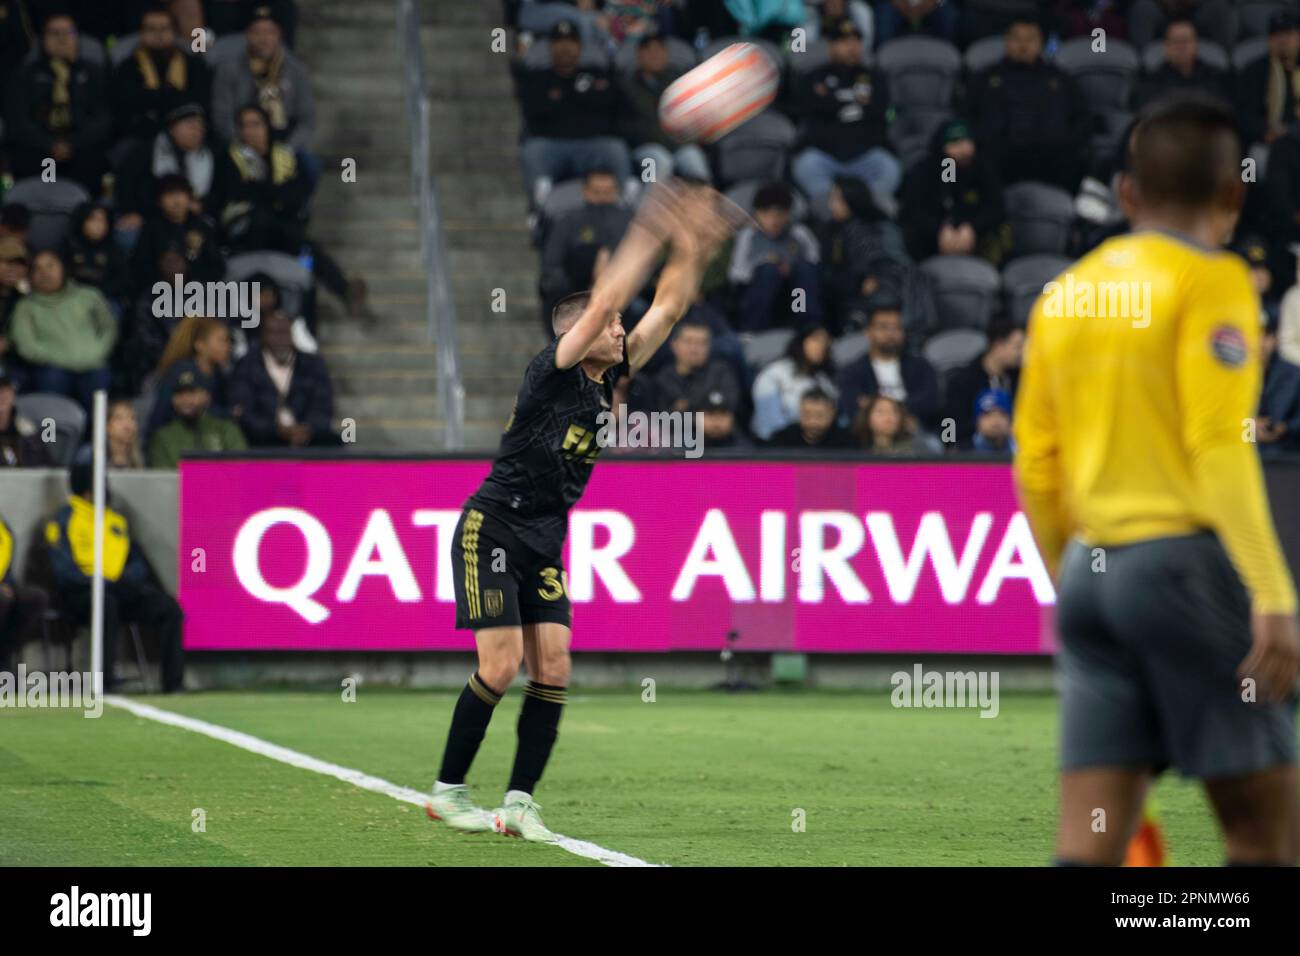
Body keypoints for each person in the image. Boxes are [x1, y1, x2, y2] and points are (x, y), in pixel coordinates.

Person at [1014, 93, 1299, 866]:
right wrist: (1272, 590)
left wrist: (1069, 574)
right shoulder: (1214, 281)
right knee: (1265, 840)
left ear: (1128, 194)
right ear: (1234, 194)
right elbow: (1217, 443)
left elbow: (1036, 462)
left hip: (1091, 578)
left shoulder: (1065, 293)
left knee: (1088, 851)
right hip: (1184, 572)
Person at [427, 181, 736, 840]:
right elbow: (604, 302)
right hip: (494, 527)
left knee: (555, 667)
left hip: (543, 537)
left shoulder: (606, 379)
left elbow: (673, 305)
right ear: (577, 334)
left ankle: (518, 802)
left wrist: (696, 244)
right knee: (501, 665)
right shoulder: (553, 369)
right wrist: (652, 225)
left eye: (620, 327)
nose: (621, 331)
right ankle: (448, 790)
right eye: (612, 326)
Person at [47, 461, 184, 692]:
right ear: (86, 489)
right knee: (105, 604)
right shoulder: (62, 520)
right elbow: (63, 571)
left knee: (168, 608)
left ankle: (173, 684)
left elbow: (138, 563)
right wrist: (97, 582)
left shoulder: (116, 521)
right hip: (82, 594)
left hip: (120, 589)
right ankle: (105, 681)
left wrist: (124, 580)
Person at [515, 19, 630, 208]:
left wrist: (563, 97)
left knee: (616, 149)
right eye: (559, 42)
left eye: (570, 42)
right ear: (550, 47)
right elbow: (535, 112)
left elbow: (610, 105)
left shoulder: (597, 74)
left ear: (579, 46)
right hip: (552, 145)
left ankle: (625, 203)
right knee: (532, 151)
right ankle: (537, 209)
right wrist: (580, 95)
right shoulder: (537, 78)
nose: (565, 48)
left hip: (593, 144)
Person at [968, 15, 1091, 192]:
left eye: (1030, 39)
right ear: (1006, 41)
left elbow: (1082, 118)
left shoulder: (1060, 79)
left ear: (1041, 43)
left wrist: (1067, 141)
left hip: (1052, 158)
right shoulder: (985, 78)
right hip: (1000, 157)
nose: (1023, 46)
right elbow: (967, 116)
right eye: (1017, 39)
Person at [790, 17, 900, 209]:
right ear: (830, 47)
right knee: (806, 165)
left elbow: (881, 112)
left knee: (889, 167)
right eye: (844, 41)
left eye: (856, 41)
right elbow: (809, 109)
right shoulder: (813, 77)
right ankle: (830, 212)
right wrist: (854, 104)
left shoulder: (875, 77)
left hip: (865, 155)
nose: (852, 47)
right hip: (826, 156)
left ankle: (867, 210)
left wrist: (832, 101)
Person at [3, 10, 111, 192]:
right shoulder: (25, 74)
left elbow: (104, 118)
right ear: (42, 38)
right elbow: (18, 120)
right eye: (55, 33)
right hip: (40, 148)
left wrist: (72, 144)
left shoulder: (93, 73)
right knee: (42, 173)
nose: (62, 39)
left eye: (68, 33)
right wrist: (49, 145)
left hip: (80, 147)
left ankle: (87, 213)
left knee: (92, 165)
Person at [8, 249, 116, 412]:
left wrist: (98, 352)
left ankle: (98, 436)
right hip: (52, 367)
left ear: (63, 268)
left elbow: (109, 328)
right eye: (37, 268)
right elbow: (26, 345)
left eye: (50, 266)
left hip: (93, 363)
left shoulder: (89, 296)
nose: (44, 273)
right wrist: (60, 358)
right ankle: (52, 436)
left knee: (100, 381)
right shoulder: (25, 307)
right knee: (52, 381)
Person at [900, 119, 1010, 265]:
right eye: (955, 144)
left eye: (967, 142)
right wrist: (939, 229)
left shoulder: (983, 168)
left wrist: (972, 228)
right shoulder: (924, 171)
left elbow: (996, 207)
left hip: (977, 241)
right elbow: (913, 210)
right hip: (931, 242)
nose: (964, 149)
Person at [227, 309, 337, 447]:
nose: (280, 339)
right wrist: (278, 431)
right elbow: (244, 411)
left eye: (285, 332)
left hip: (309, 438)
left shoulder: (312, 365)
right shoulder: (246, 366)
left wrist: (307, 429)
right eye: (274, 333)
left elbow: (323, 405)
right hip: (264, 441)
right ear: (262, 336)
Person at [110, 2, 212, 145]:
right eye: (151, 29)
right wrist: (172, 95)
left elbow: (199, 101)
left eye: (164, 29)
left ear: (175, 32)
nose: (159, 35)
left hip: (186, 133)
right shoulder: (128, 67)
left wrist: (154, 99)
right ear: (141, 34)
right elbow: (127, 103)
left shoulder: (194, 65)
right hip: (141, 136)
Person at [728, 182, 824, 332]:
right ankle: (753, 330)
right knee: (768, 271)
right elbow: (737, 275)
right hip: (760, 293)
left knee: (804, 271)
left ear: (788, 214)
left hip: (794, 296)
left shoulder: (800, 233)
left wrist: (789, 267)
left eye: (779, 214)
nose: (773, 221)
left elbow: (814, 264)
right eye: (766, 214)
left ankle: (807, 326)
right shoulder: (748, 236)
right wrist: (763, 264)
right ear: (757, 213)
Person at [836, 304, 939, 429]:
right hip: (868, 434)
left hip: (914, 429)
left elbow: (930, 402)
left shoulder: (921, 366)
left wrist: (876, 406)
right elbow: (853, 409)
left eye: (897, 327)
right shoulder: (852, 371)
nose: (891, 333)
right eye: (883, 327)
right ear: (868, 332)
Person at [147, 363, 248, 468]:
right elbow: (161, 479)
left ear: (207, 396)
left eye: (192, 392)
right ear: (172, 399)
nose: (186, 399)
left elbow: (242, 469)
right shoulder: (162, 438)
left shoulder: (226, 430)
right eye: (180, 393)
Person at [148, 315, 233, 438]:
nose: (227, 347)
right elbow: (161, 414)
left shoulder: (220, 376)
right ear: (200, 345)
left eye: (228, 341)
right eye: (221, 341)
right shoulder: (181, 371)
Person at [942, 318, 1023, 446]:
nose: (1022, 353)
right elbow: (948, 424)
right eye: (1017, 347)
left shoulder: (1022, 379)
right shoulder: (962, 381)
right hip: (971, 455)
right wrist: (979, 426)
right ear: (999, 345)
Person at [751, 325, 838, 440]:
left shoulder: (825, 382)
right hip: (776, 448)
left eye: (825, 342)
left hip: (818, 448)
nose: (821, 346)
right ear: (801, 342)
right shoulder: (774, 375)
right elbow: (768, 427)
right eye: (815, 340)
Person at [0, 511, 49, 667]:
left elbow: (6, 565)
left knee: (36, 598)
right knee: (2, 599)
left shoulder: (3, 527)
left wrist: (8, 584)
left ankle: (4, 658)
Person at [1256, 314, 1300, 458]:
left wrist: (1286, 428)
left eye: (1265, 336)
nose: (1259, 342)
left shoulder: (1292, 373)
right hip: (1243, 447)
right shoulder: (1232, 374)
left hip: (1286, 451)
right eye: (1254, 334)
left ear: (1275, 339)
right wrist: (1247, 427)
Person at [767, 386, 854, 449]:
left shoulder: (846, 443)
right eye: (807, 415)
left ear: (832, 415)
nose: (813, 422)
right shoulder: (782, 440)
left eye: (820, 416)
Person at [0, 372, 51, 467]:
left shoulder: (26, 429)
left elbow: (49, 466)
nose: (2, 396)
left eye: (6, 391)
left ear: (13, 396)